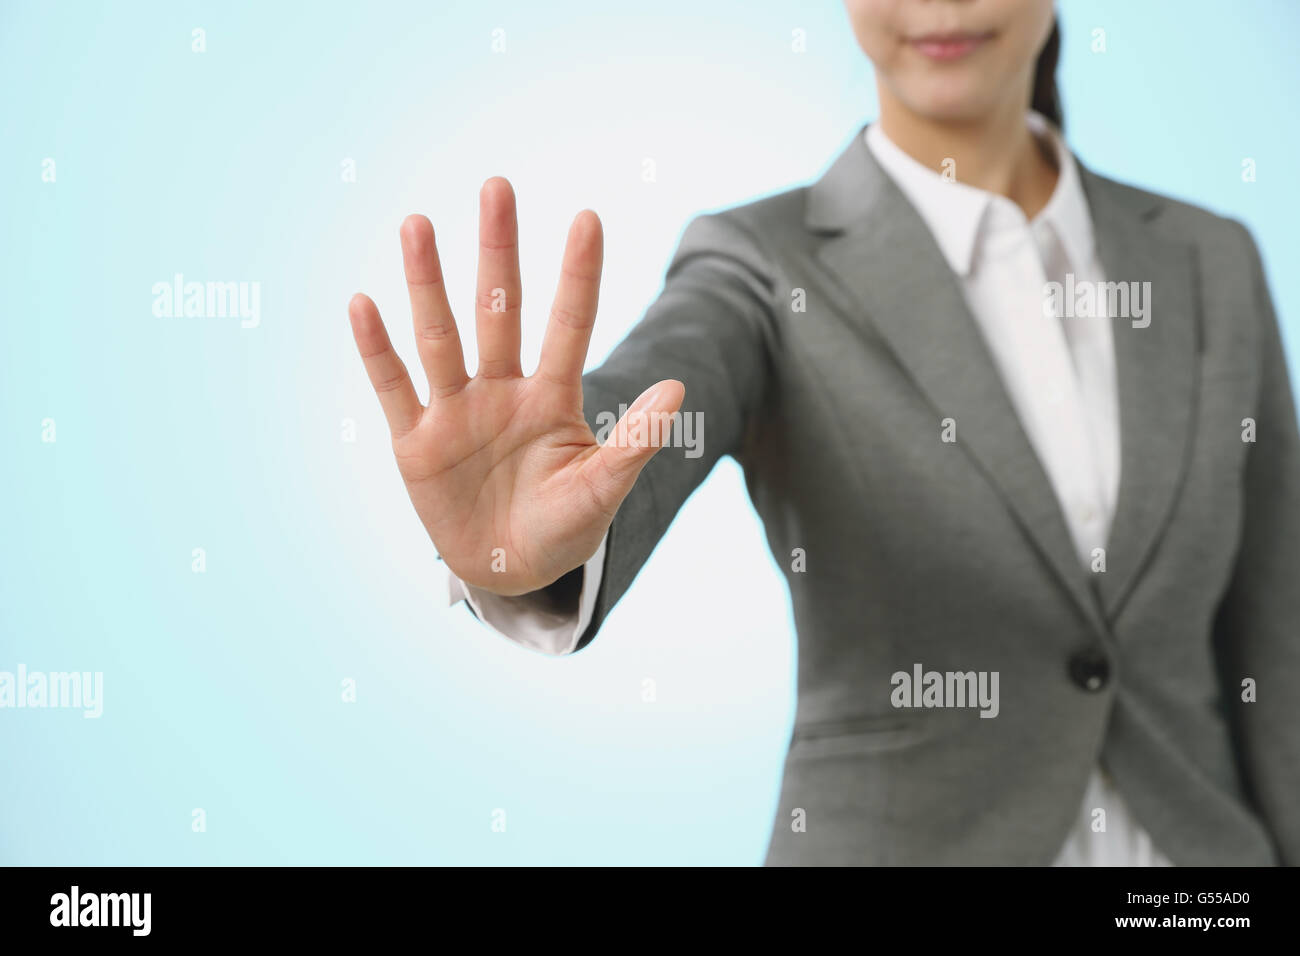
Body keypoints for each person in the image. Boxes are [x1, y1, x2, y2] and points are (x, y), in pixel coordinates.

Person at [347, 0, 1299, 865]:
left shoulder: (1210, 259)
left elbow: (1277, 632)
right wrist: (533, 532)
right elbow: (669, 384)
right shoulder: (763, 266)